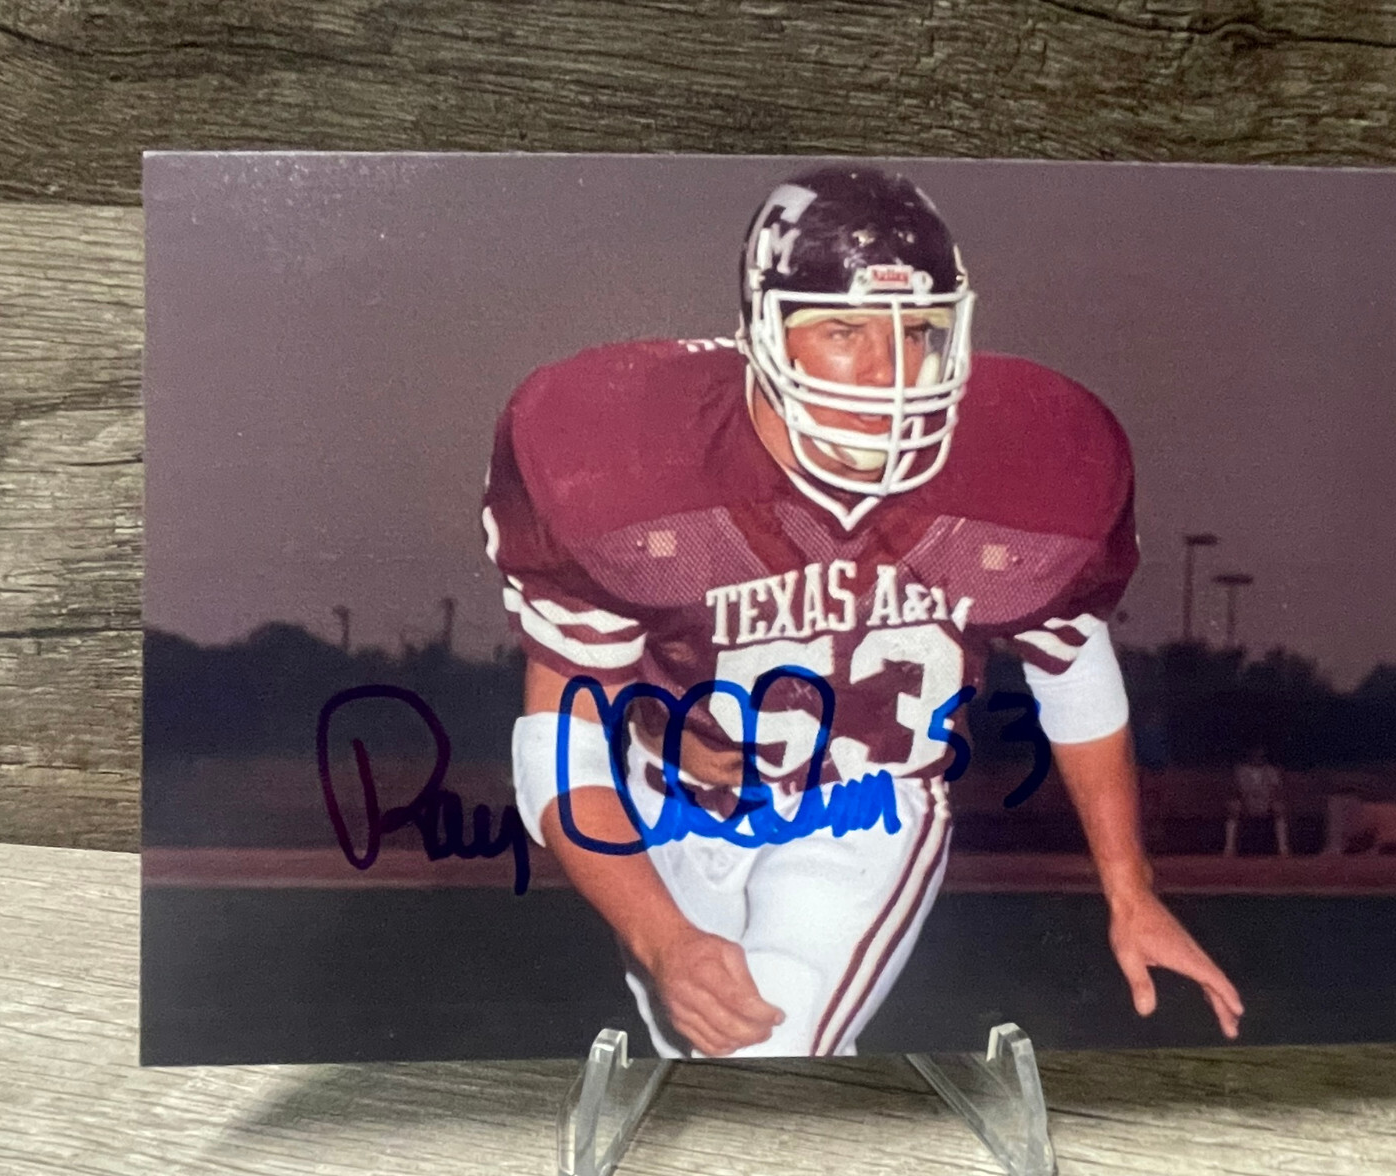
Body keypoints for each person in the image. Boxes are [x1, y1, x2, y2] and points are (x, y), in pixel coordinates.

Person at [483, 166, 1243, 1057]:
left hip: (862, 806)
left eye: (921, 330)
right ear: (762, 333)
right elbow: (559, 739)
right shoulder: (626, 456)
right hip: (665, 802)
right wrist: (661, 938)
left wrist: (1131, 887)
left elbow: (1071, 661)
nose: (893, 370)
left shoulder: (1030, 464)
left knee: (767, 1057)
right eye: (844, 329)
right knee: (698, 1053)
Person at [1226, 746, 1290, 857]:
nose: (1257, 758)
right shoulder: (1241, 770)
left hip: (1266, 802)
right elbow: (1235, 790)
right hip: (1247, 802)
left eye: (1260, 755)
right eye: (1255, 755)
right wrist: (1239, 802)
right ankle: (1229, 848)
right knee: (1234, 808)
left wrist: (1273, 802)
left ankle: (1283, 848)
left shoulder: (1271, 771)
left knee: (1279, 809)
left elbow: (1276, 790)